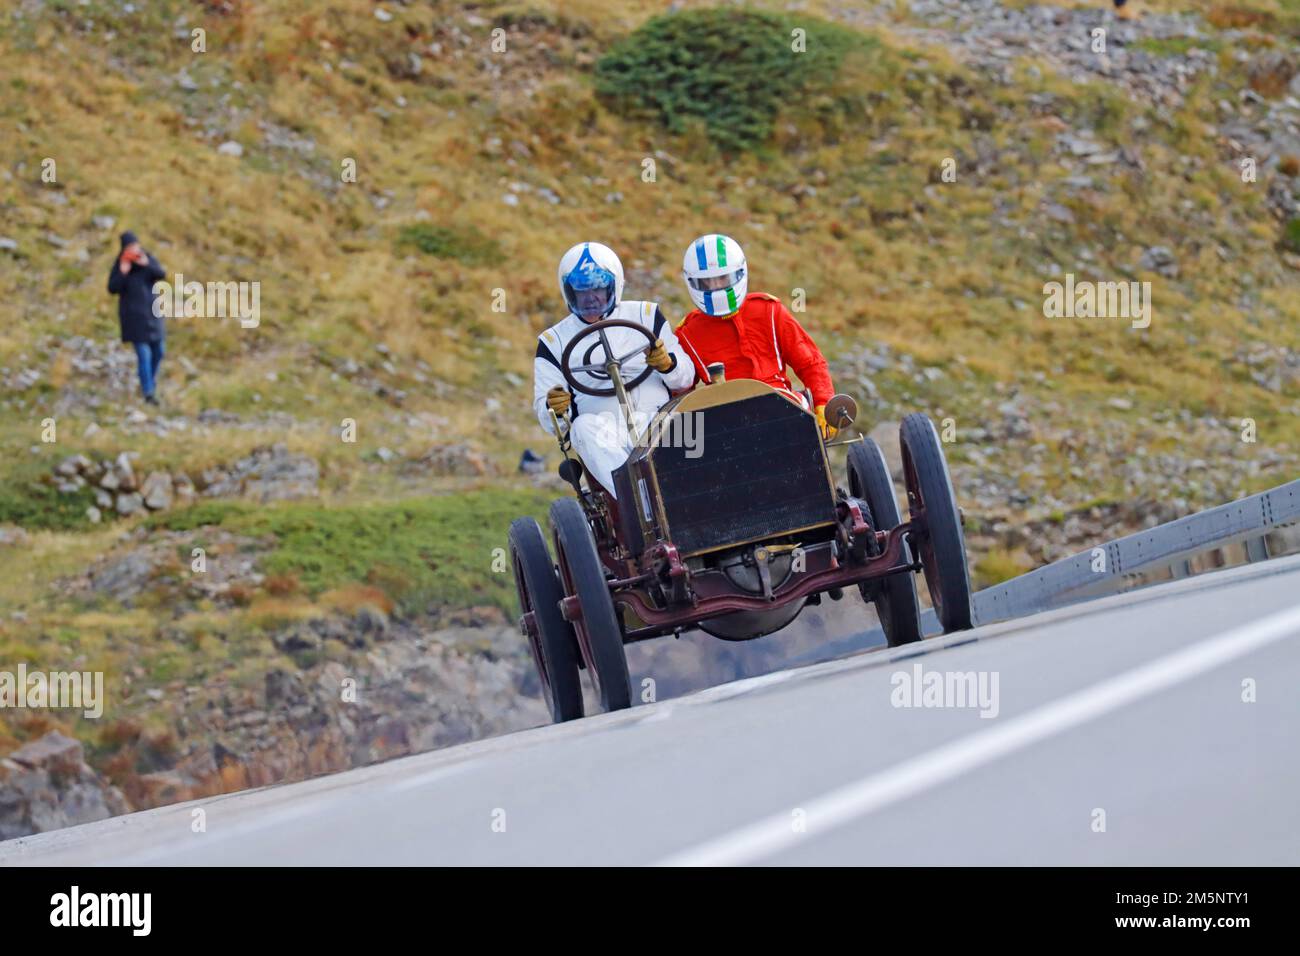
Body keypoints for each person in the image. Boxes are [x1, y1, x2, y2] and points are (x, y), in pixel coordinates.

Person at [533, 242, 694, 496]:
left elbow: (686, 377)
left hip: (657, 421)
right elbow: (550, 418)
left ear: (614, 285)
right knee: (581, 428)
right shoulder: (553, 342)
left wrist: (667, 364)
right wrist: (553, 407)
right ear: (568, 293)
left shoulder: (646, 314)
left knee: (697, 422)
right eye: (580, 292)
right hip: (606, 433)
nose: (590, 298)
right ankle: (637, 501)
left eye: (598, 288)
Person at [674, 233, 839, 437]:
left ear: (739, 273)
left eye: (723, 278)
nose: (716, 286)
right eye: (707, 282)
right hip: (727, 423)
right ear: (693, 282)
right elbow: (679, 391)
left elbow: (810, 362)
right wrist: (667, 367)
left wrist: (823, 402)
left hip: (785, 405)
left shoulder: (769, 310)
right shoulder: (688, 333)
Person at [106, 231, 166, 406]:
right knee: (144, 354)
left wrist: (145, 264)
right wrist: (123, 272)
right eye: (130, 247)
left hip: (153, 315)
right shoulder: (120, 265)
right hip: (133, 319)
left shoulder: (146, 258)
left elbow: (161, 274)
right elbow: (112, 288)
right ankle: (148, 393)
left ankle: (150, 384)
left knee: (159, 351)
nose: (134, 250)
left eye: (135, 246)